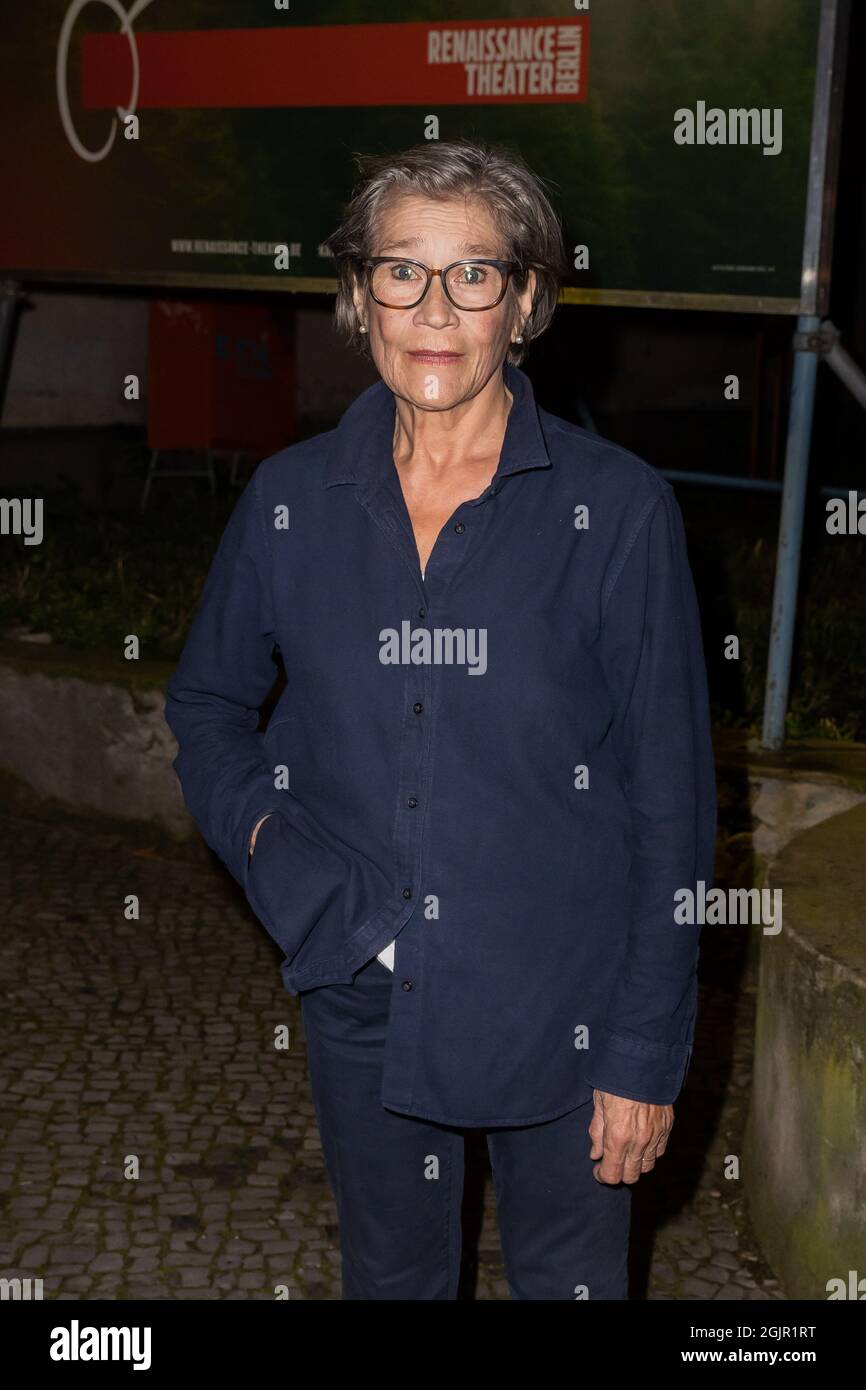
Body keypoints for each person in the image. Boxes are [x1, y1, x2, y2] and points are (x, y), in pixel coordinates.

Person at [164, 138, 717, 1301]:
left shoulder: (614, 512)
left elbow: (672, 802)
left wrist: (641, 1050)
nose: (432, 307)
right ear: (358, 293)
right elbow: (208, 702)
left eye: (472, 275)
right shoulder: (287, 501)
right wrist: (271, 845)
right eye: (400, 272)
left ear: (521, 303)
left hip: (562, 1006)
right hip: (366, 992)